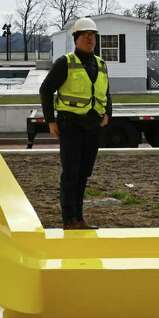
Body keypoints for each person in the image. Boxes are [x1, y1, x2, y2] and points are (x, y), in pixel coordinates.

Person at [39, 17, 111, 230]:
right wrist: (50, 120)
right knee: (70, 173)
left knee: (83, 173)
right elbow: (45, 90)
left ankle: (79, 218)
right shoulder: (66, 62)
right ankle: (68, 219)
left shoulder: (100, 64)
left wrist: (108, 112)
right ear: (76, 39)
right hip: (70, 125)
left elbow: (106, 91)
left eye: (93, 35)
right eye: (85, 35)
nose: (90, 39)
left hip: (92, 126)